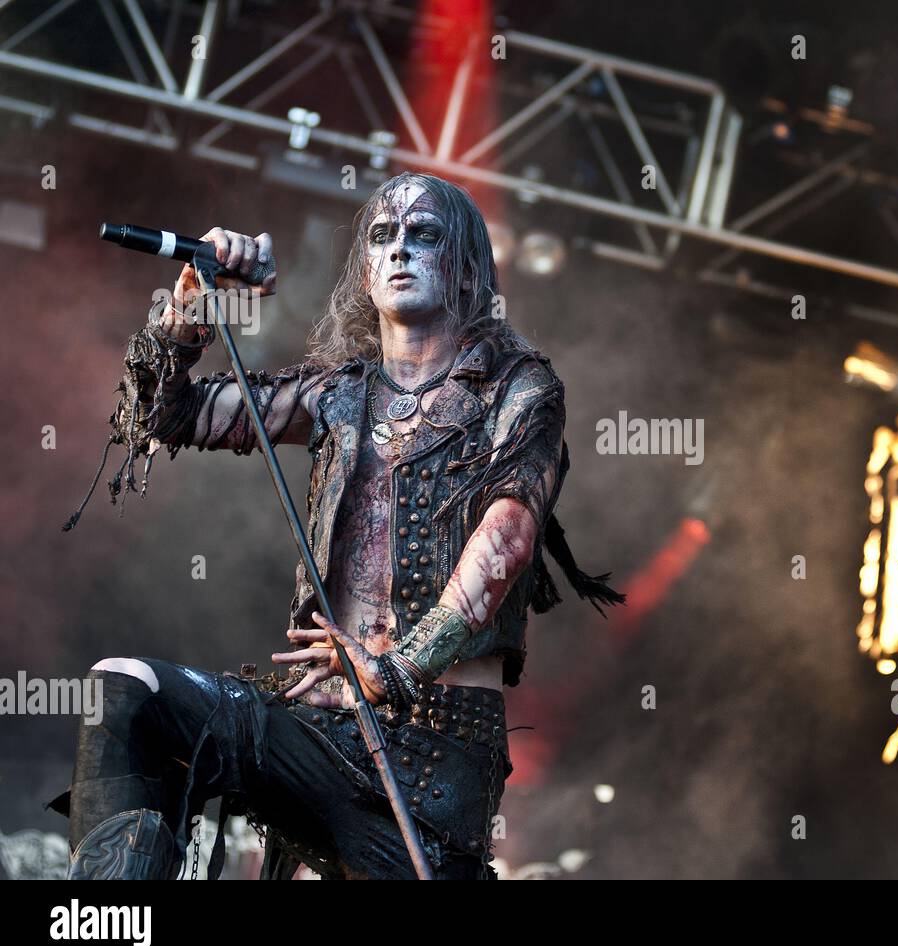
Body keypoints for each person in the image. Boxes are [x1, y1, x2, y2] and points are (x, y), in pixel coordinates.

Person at [49, 171, 622, 879]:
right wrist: (199, 299)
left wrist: (400, 667)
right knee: (127, 686)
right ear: (366, 268)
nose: (401, 249)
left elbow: (508, 535)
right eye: (384, 235)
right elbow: (167, 415)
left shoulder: (519, 388)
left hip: (431, 759)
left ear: (468, 264)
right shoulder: (338, 393)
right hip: (319, 732)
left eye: (425, 234)